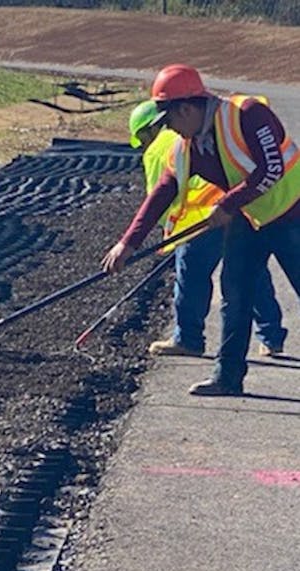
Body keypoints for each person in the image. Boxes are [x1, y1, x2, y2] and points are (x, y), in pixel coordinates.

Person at [103, 64, 300, 396]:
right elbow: (163, 191)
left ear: (186, 109)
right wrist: (128, 243)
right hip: (250, 219)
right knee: (235, 297)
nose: (169, 129)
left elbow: (272, 168)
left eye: (168, 120)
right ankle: (227, 378)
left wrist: (227, 204)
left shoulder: (247, 114)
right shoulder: (186, 146)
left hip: (292, 213)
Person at [128, 99, 287, 359]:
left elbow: (161, 197)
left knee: (190, 277)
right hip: (235, 208)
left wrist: (168, 235)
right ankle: (271, 336)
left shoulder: (159, 150)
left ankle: (188, 339)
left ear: (150, 130)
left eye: (142, 139)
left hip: (202, 219)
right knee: (252, 273)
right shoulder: (191, 133)